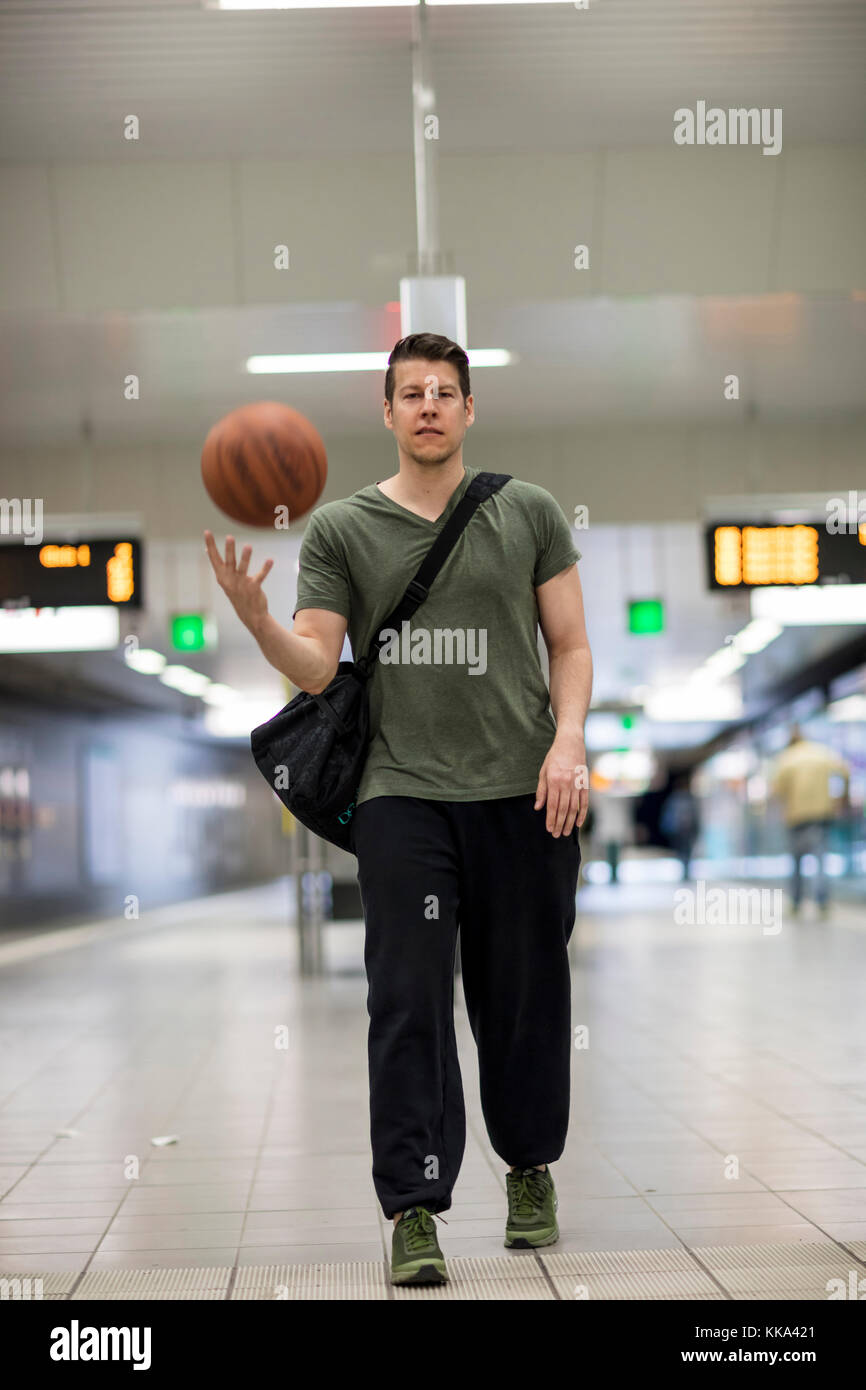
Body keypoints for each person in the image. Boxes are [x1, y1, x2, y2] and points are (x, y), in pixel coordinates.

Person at [204, 332, 592, 1286]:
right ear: (387, 413)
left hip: (520, 793)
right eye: (410, 392)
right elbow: (319, 665)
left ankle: (530, 1169)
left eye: (445, 392)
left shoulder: (529, 511)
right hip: (400, 796)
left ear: (468, 412)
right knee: (408, 1000)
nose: (428, 405)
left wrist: (569, 740)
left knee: (523, 1000)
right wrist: (260, 625)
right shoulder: (340, 530)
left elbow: (571, 645)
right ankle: (415, 1206)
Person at [769, 725, 850, 917]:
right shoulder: (821, 753)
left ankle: (796, 902)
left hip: (796, 815)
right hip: (821, 813)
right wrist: (841, 799)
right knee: (820, 857)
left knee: (797, 861)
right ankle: (822, 901)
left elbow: (777, 789)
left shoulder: (787, 759)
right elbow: (845, 772)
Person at [660, 774, 700, 880]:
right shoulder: (679, 799)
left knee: (684, 849)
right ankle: (684, 867)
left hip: (683, 830)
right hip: (682, 830)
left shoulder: (679, 799)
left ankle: (685, 867)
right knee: (683, 850)